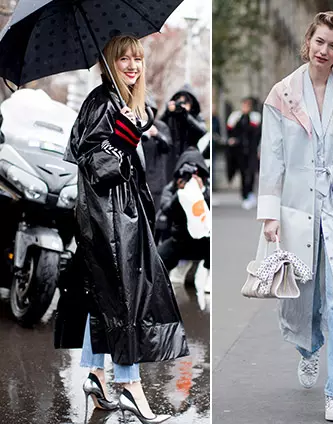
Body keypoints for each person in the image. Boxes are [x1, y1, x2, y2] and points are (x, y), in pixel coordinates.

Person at [58, 35, 189, 423]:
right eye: (123, 59)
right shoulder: (101, 103)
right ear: (108, 62)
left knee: (105, 298)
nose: (132, 66)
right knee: (126, 298)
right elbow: (95, 166)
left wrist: (131, 131)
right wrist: (122, 139)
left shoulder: (121, 102)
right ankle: (130, 386)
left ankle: (97, 375)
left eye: (137, 59)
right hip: (111, 220)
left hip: (120, 215)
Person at [258, 11, 333, 422]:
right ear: (307, 42)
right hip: (298, 209)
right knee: (304, 296)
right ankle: (308, 350)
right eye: (319, 42)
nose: (324, 51)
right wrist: (269, 215)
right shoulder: (282, 94)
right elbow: (271, 159)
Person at [157, 146, 211, 299]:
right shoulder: (172, 188)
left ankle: (207, 274)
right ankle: (184, 269)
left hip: (203, 243)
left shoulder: (206, 187)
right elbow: (166, 209)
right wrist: (180, 194)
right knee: (156, 263)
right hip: (179, 241)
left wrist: (201, 192)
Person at [160, 86, 207, 185]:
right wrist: (168, 112)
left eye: (185, 102)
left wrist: (185, 115)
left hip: (189, 159)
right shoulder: (170, 117)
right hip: (170, 159)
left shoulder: (195, 117)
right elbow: (160, 127)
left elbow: (201, 131)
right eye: (179, 102)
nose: (181, 105)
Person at [226, 97, 261, 210]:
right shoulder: (236, 117)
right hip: (239, 151)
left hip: (251, 150)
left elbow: (257, 133)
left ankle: (249, 193)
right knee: (242, 173)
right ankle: (244, 195)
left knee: (250, 173)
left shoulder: (255, 117)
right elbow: (230, 131)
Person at [141, 96, 172, 210]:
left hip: (155, 179)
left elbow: (167, 147)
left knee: (154, 214)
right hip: (138, 179)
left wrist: (157, 135)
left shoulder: (160, 127)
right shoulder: (135, 126)